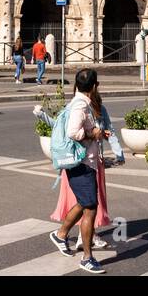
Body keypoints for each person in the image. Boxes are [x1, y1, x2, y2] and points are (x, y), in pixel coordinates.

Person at [47, 67, 107, 273]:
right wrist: (93, 134)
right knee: (90, 207)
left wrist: (96, 133)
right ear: (94, 86)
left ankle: (61, 234)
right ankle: (87, 258)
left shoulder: (80, 102)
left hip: (83, 162)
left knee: (85, 203)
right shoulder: (81, 105)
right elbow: (73, 132)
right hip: (81, 164)